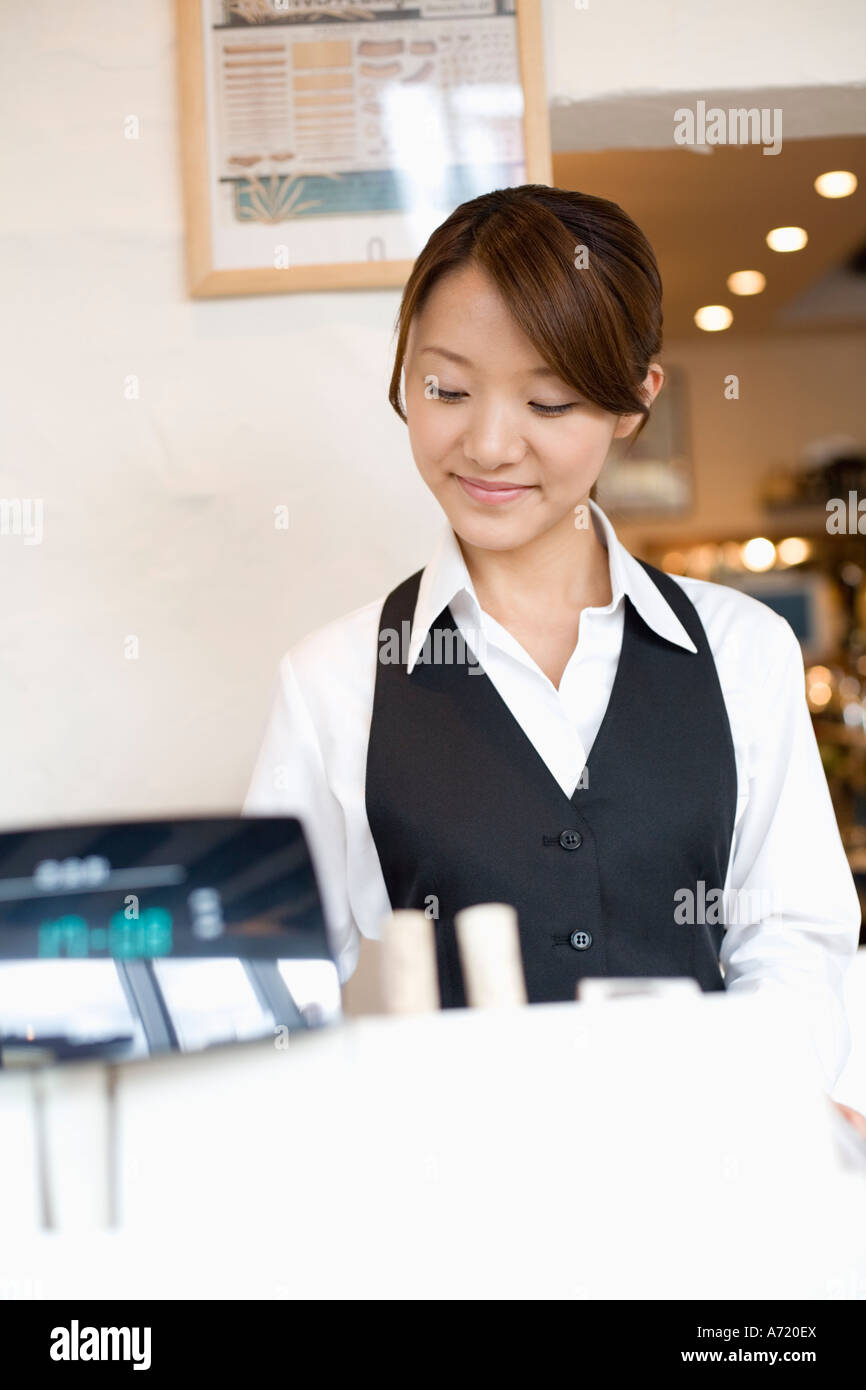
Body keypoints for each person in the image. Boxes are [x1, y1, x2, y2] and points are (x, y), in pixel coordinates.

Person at [243, 184, 864, 1130]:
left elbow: (792, 938)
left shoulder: (742, 651)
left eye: (549, 399)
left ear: (633, 402)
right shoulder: (333, 680)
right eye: (445, 389)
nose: (489, 444)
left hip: (716, 1199)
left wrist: (773, 1108)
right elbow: (265, 987)